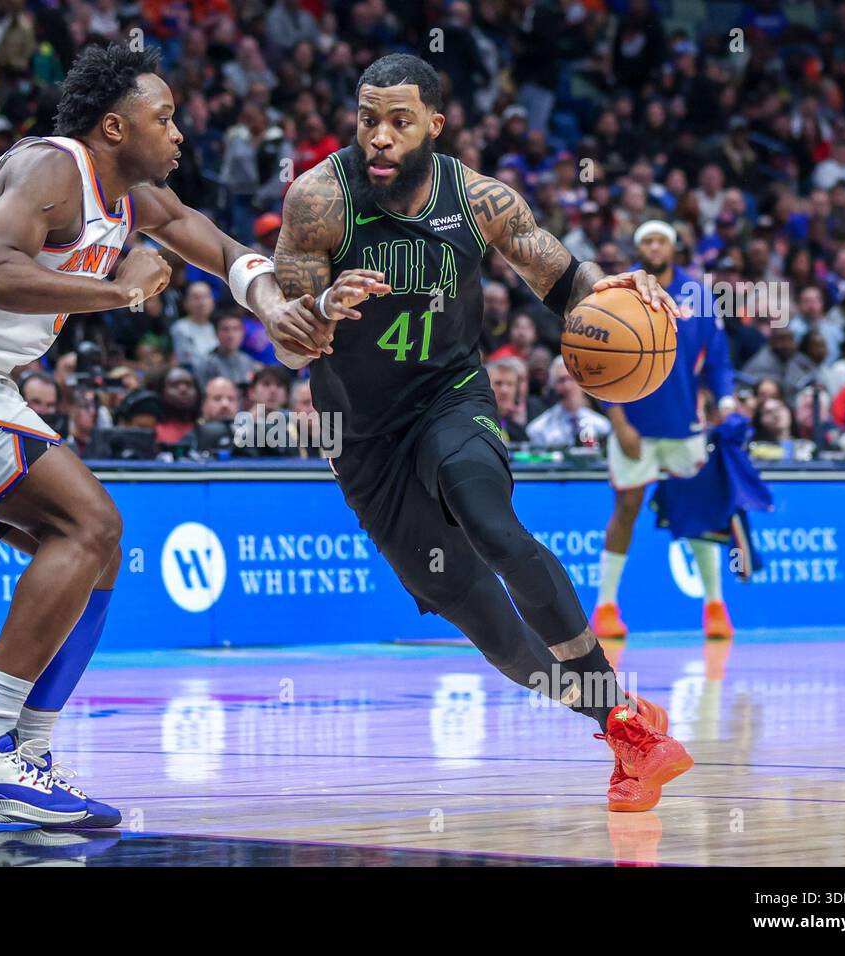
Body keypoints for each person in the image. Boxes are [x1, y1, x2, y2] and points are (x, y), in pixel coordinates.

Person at [0, 43, 315, 828]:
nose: (180, 133)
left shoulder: (138, 200)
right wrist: (114, 290)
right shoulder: (52, 167)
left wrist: (274, 307)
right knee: (91, 521)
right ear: (115, 127)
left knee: (97, 549)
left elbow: (220, 248)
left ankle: (24, 752)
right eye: (164, 118)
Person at [269, 53, 690, 813]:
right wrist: (322, 308)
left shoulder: (481, 199)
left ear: (435, 123)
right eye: (368, 119)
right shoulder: (319, 199)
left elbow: (563, 281)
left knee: (493, 524)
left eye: (400, 121)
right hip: (363, 441)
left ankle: (631, 733)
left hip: (449, 398)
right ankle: (619, 719)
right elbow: (287, 344)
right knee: (497, 637)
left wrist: (619, 287)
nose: (381, 137)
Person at [594, 220, 738, 641]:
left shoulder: (698, 294)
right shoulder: (621, 292)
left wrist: (726, 405)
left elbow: (719, 363)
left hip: (685, 426)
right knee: (625, 510)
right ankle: (605, 607)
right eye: (646, 241)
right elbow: (597, 362)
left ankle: (714, 606)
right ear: (638, 248)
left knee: (700, 515)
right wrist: (617, 420)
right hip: (635, 425)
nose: (654, 247)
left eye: (661, 240)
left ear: (674, 247)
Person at [525, 356, 612, 449]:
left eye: (573, 379)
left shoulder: (602, 426)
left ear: (584, 385)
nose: (568, 386)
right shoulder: (539, 430)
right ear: (553, 386)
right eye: (561, 380)